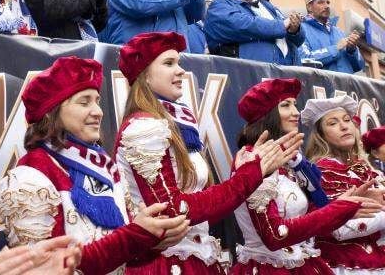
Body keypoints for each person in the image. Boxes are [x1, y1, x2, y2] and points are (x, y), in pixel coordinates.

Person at [115, 31, 299, 275]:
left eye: (178, 62)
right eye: (169, 63)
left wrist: (248, 175)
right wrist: (247, 177)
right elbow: (172, 210)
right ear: (144, 76)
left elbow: (201, 201)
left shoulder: (177, 124)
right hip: (165, 264)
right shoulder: (144, 128)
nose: (180, 70)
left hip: (195, 258)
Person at [0, 55, 190, 275]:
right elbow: (48, 268)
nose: (98, 112)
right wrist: (134, 236)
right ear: (52, 112)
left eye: (97, 101)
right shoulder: (31, 177)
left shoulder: (105, 169)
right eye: (84, 101)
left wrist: (150, 240)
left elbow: (119, 258)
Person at [232, 78, 376, 275]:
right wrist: (337, 210)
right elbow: (274, 235)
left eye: (295, 104)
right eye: (285, 105)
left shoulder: (293, 163)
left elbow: (312, 221)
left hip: (301, 263)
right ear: (266, 115)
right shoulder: (252, 159)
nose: (295, 112)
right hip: (270, 268)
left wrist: (347, 204)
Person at [303, 96, 385, 273]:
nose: (344, 126)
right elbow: (340, 230)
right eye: (332, 123)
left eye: (347, 120)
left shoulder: (363, 167)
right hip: (344, 265)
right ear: (321, 135)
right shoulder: (323, 170)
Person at [300, 0, 364, 74]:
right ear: (309, 7)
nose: (326, 6)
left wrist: (352, 49)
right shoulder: (301, 30)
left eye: (328, 2)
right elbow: (304, 60)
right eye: (321, 2)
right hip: (323, 87)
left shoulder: (339, 32)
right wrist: (336, 48)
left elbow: (359, 66)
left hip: (347, 87)